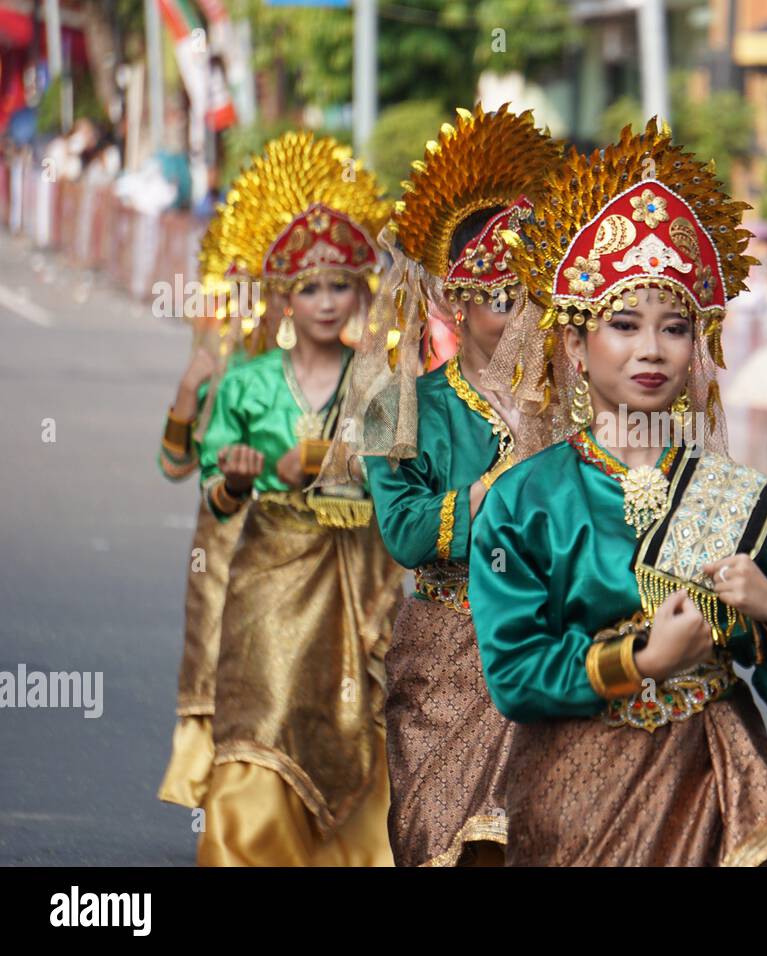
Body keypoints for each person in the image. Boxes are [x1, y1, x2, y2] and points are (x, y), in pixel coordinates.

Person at [470, 121, 767, 866]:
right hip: (576, 807)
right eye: (624, 325)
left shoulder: (735, 498)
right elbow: (514, 676)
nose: (651, 348)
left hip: (711, 796)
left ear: (697, 347)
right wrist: (641, 660)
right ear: (575, 347)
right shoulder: (526, 499)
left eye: (675, 327)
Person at [324, 104, 561, 866]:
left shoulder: (575, 407)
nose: (518, 313)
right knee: (439, 841)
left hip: (549, 649)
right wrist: (488, 495)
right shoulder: (404, 406)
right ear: (454, 302)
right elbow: (400, 531)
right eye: (498, 296)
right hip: (444, 655)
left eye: (531, 293)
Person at [195, 131, 405, 866]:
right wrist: (243, 475)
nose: (325, 300)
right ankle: (247, 850)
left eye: (340, 284)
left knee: (357, 713)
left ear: (362, 291)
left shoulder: (381, 382)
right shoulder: (249, 382)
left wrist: (329, 461)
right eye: (309, 286)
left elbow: (399, 474)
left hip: (361, 570)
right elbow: (213, 490)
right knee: (267, 704)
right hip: (271, 572)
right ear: (283, 294)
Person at [156, 221, 251, 814]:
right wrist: (190, 391)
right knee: (216, 659)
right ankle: (220, 797)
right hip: (219, 537)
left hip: (294, 533)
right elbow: (174, 464)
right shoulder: (214, 357)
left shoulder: (308, 363)